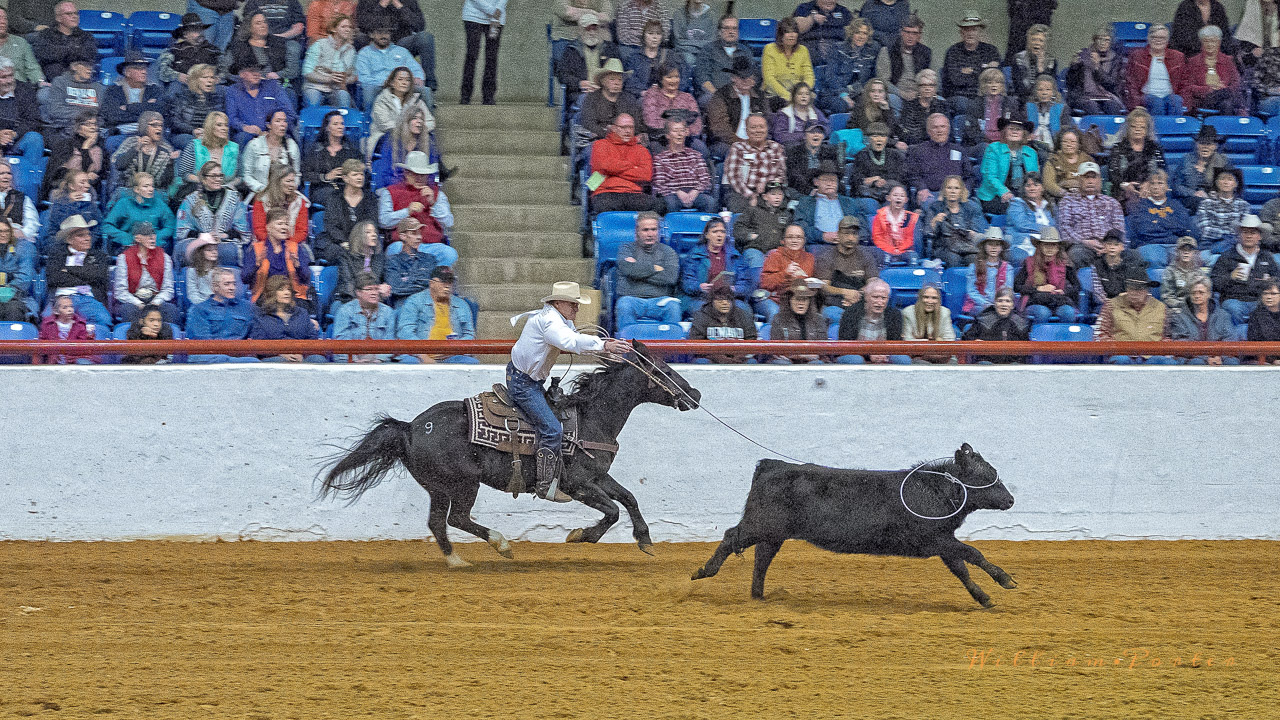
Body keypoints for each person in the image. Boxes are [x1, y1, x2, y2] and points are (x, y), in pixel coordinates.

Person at [508, 281, 631, 501]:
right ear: (557, 303)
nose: (577, 308)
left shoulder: (556, 319)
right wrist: (604, 345)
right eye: (572, 304)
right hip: (524, 385)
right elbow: (570, 341)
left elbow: (574, 342)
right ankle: (545, 485)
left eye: (577, 304)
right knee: (553, 429)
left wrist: (605, 350)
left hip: (529, 381)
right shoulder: (550, 322)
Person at [377, 151, 456, 264]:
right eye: (414, 173)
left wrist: (434, 204)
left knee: (449, 253)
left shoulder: (437, 194)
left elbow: (448, 222)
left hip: (430, 246)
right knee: (395, 249)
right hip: (402, 244)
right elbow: (383, 221)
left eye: (422, 174)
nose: (419, 178)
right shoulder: (390, 192)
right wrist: (407, 212)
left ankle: (435, 280)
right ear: (406, 173)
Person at [396, 266, 479, 364]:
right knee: (409, 363)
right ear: (432, 283)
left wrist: (455, 349)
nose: (447, 286)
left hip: (452, 355)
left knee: (470, 363)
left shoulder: (462, 304)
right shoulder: (414, 301)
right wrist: (422, 354)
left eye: (450, 282)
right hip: (420, 354)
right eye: (443, 282)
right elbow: (405, 332)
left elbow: (469, 334)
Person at [355, 0, 437, 98]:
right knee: (359, 38)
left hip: (402, 43)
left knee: (425, 37)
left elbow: (419, 25)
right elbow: (362, 25)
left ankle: (430, 87)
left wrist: (399, 5)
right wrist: (382, 5)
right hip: (374, 43)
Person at [241, 207, 314, 314]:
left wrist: (298, 266)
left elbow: (306, 278)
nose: (284, 227)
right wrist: (256, 264)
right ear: (268, 227)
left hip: (292, 297)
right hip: (265, 298)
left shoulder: (295, 248)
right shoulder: (256, 249)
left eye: (286, 224)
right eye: (280, 224)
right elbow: (244, 278)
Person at [175, 162, 250, 266]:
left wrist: (224, 235)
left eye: (220, 175)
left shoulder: (234, 198)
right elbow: (182, 230)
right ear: (204, 179)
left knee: (227, 252)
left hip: (225, 242)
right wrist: (203, 236)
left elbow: (242, 230)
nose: (218, 179)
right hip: (199, 242)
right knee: (191, 250)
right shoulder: (190, 200)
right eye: (213, 176)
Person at [1211, 214, 1280, 326]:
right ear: (1239, 235)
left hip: (1260, 299)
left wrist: (1270, 282)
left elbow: (1278, 281)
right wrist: (1231, 277)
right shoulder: (1226, 256)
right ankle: (1237, 342)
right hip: (1234, 299)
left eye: (1253, 233)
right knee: (1233, 309)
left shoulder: (1267, 257)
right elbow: (1214, 283)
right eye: (1245, 232)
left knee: (1269, 307)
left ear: (1260, 236)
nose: (1249, 236)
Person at [589, 113, 663, 215]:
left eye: (631, 127)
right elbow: (604, 165)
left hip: (634, 193)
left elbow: (646, 175)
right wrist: (631, 166)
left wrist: (612, 171)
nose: (628, 131)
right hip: (605, 192)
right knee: (604, 206)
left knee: (660, 205)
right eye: (623, 127)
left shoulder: (641, 150)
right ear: (614, 128)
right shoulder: (600, 144)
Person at [45, 215, 111, 329]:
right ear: (69, 240)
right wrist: (85, 276)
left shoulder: (99, 256)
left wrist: (68, 270)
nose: (87, 238)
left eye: (88, 234)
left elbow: (98, 276)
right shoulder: (56, 255)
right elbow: (54, 278)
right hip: (61, 298)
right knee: (47, 319)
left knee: (103, 319)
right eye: (81, 235)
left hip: (88, 298)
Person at [616, 212, 680, 326]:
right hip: (632, 299)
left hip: (661, 300)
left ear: (659, 231)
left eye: (654, 229)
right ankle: (626, 343)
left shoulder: (668, 252)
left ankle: (670, 344)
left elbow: (670, 278)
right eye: (645, 230)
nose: (650, 234)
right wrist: (655, 268)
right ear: (637, 232)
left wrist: (637, 271)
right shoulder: (626, 248)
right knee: (624, 305)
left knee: (673, 306)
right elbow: (628, 269)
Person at [1097, 270, 1175, 364]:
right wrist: (1116, 349)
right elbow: (1100, 334)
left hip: (1153, 356)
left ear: (1147, 290)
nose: (1134, 292)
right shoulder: (1111, 305)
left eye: (1139, 289)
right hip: (1121, 354)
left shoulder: (1161, 308)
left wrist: (1162, 351)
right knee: (1122, 360)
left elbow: (1167, 336)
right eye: (1131, 288)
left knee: (1166, 362)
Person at [1057, 162, 1126, 267]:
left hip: (1110, 246)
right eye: (1086, 177)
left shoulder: (1112, 202)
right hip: (1082, 246)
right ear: (1079, 180)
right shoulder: (1067, 201)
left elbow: (1119, 228)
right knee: (1076, 255)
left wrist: (1108, 245)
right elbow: (1065, 229)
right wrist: (1085, 242)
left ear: (1099, 180)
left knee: (1133, 256)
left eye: (1093, 177)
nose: (1090, 181)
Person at [813, 215, 877, 324]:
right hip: (833, 304)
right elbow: (824, 287)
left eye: (854, 234)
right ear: (838, 234)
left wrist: (856, 294)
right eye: (846, 233)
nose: (851, 238)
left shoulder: (866, 256)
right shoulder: (826, 257)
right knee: (835, 315)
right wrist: (845, 292)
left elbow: (874, 283)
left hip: (860, 301)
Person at [186, 267, 258, 362]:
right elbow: (204, 342)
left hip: (239, 356)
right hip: (210, 356)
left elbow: (255, 334)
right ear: (215, 287)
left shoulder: (247, 307)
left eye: (234, 284)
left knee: (253, 361)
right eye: (227, 284)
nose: (232, 288)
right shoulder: (199, 309)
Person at [112, 222, 179, 325]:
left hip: (156, 298)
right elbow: (120, 291)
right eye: (147, 234)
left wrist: (155, 303)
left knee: (171, 310)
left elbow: (168, 289)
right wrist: (138, 303)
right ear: (137, 238)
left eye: (153, 234)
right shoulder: (124, 258)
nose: (152, 237)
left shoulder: (165, 257)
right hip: (133, 299)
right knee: (129, 310)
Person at [355, 24, 430, 113]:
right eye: (379, 32)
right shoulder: (364, 53)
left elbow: (416, 69)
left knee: (425, 91)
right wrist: (387, 83)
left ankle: (429, 125)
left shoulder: (401, 51)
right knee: (369, 90)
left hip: (402, 84)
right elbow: (363, 78)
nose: (384, 36)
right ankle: (370, 123)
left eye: (387, 33)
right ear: (372, 35)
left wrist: (418, 77)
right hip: (378, 86)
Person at [248, 275, 325, 362]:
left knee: (318, 359)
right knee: (279, 361)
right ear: (272, 293)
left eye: (288, 289)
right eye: (281, 290)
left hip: (301, 356)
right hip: (274, 357)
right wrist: (280, 354)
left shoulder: (302, 313)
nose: (287, 293)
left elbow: (312, 339)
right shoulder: (261, 316)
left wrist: (302, 354)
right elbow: (259, 343)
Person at [1127, 170, 1196, 267]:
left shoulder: (1176, 205)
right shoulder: (1140, 206)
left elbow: (1183, 227)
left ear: (1167, 187)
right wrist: (1169, 224)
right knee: (1155, 260)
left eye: (1160, 183)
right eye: (1152, 183)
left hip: (1174, 245)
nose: (1155, 187)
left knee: (1186, 260)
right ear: (1148, 186)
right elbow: (1144, 229)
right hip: (1150, 245)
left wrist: (1156, 222)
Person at [679, 216, 748, 312]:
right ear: (707, 235)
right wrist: (699, 287)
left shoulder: (735, 256)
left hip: (727, 298)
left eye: (722, 232)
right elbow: (686, 283)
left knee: (744, 309)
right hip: (700, 298)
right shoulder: (694, 255)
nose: (719, 235)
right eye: (715, 232)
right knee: (707, 310)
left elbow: (744, 283)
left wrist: (735, 289)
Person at [902, 113, 972, 207]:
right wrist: (922, 188)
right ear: (929, 131)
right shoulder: (918, 150)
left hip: (957, 195)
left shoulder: (959, 150)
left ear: (948, 129)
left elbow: (969, 176)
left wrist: (966, 190)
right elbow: (912, 175)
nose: (939, 131)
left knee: (974, 207)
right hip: (931, 195)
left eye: (943, 126)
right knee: (934, 207)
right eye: (935, 127)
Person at [835, 277, 910, 363]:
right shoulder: (851, 313)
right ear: (866, 297)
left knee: (903, 359)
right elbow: (846, 345)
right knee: (856, 360)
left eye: (883, 298)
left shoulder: (894, 315)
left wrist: (884, 354)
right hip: (857, 354)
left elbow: (896, 344)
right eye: (875, 297)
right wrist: (869, 354)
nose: (879, 302)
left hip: (884, 354)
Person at [556, 13, 623, 109]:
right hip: (581, 92)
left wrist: (606, 86)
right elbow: (562, 75)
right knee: (591, 101)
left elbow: (620, 71)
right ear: (580, 30)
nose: (592, 32)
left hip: (608, 90)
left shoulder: (610, 48)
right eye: (588, 29)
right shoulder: (571, 50)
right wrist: (580, 83)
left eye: (594, 28)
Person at [1014, 227, 1079, 324]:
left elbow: (1077, 286)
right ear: (1040, 246)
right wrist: (1038, 289)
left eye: (1053, 245)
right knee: (1043, 313)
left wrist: (1063, 291)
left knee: (1068, 312)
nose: (1050, 248)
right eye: (1046, 245)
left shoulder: (1065, 264)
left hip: (1058, 301)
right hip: (1035, 300)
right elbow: (1017, 286)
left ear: (1058, 248)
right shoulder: (1029, 262)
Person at [724, 113, 786, 214]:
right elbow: (733, 177)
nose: (758, 131)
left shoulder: (776, 147)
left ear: (767, 129)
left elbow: (781, 175)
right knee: (736, 203)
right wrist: (751, 195)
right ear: (746, 130)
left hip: (770, 191)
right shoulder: (738, 147)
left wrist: (768, 186)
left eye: (761, 127)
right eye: (753, 127)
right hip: (743, 192)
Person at [320, 160, 379, 266]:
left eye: (361, 174)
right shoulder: (334, 198)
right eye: (355, 174)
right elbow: (331, 226)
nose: (360, 177)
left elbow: (371, 223)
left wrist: (358, 243)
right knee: (340, 253)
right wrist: (344, 242)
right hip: (339, 243)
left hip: (364, 242)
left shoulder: (371, 198)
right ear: (345, 178)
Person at [1176, 26, 1245, 114]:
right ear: (1201, 43)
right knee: (1224, 100)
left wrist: (1224, 88)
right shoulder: (1193, 61)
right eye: (1206, 41)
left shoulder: (1228, 61)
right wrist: (1208, 89)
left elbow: (1236, 83)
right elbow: (1187, 86)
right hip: (1202, 101)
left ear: (1219, 42)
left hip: (1225, 98)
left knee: (1226, 101)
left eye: (1213, 41)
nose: (1210, 44)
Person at [940, 13, 1000, 115]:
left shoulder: (991, 51)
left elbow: (996, 78)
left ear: (980, 32)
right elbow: (955, 80)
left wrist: (969, 71)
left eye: (974, 29)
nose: (970, 33)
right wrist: (983, 70)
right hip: (958, 97)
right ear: (961, 32)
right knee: (964, 104)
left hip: (984, 97)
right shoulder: (953, 51)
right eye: (967, 29)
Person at [225, 61, 296, 147]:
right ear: (242, 74)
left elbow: (289, 113)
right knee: (242, 137)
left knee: (288, 137)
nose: (256, 74)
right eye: (251, 71)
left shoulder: (273, 86)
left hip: (274, 130)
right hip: (248, 133)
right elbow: (231, 118)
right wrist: (244, 127)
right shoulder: (232, 91)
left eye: (258, 70)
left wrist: (272, 129)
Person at [369, 66, 433, 161]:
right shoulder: (381, 100)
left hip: (413, 137)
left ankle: (438, 170)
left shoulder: (417, 101)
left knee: (430, 137)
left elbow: (430, 121)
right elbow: (384, 124)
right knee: (392, 138)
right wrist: (407, 129)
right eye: (400, 79)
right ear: (392, 83)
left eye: (407, 80)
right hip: (387, 136)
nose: (404, 83)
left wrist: (419, 129)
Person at [1165, 276, 1237, 360]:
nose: (1197, 296)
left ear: (1209, 294)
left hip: (1220, 358)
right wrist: (1206, 358)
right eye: (1193, 293)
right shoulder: (1179, 317)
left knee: (1231, 362)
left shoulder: (1223, 315)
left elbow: (1229, 340)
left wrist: (1220, 357)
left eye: (1201, 292)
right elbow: (1182, 344)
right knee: (1196, 362)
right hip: (1191, 359)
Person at [705, 55, 766, 156]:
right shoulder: (721, 95)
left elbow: (767, 121)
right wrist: (742, 143)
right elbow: (720, 128)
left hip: (756, 140)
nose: (747, 80)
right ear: (733, 78)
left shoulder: (760, 96)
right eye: (742, 77)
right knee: (736, 152)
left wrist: (756, 140)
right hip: (726, 143)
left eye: (750, 77)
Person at [331, 270, 397, 362]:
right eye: (369, 289)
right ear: (358, 292)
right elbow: (341, 341)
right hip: (349, 361)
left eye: (376, 289)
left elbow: (390, 341)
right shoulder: (345, 311)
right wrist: (354, 361)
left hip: (380, 362)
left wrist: (378, 360)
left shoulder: (387, 312)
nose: (374, 293)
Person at [102, 53, 167, 147]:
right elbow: (112, 115)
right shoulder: (113, 90)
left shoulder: (154, 89)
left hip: (151, 134)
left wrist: (128, 107)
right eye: (139, 68)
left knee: (168, 148)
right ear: (127, 72)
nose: (144, 72)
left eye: (145, 68)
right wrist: (146, 108)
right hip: (122, 134)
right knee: (111, 143)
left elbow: (159, 111)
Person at [652, 118, 715, 213]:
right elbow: (659, 184)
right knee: (670, 203)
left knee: (710, 202)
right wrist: (677, 192)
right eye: (675, 131)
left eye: (682, 130)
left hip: (695, 192)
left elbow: (705, 180)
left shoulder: (696, 155)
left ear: (686, 133)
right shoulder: (660, 159)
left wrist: (696, 191)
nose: (679, 134)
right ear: (668, 135)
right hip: (672, 194)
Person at [976, 118, 1037, 215]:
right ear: (1005, 131)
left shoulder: (1031, 153)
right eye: (1011, 128)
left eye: (1018, 129)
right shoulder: (993, 148)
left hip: (1022, 196)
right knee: (1016, 210)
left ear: (1024, 133)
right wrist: (1004, 192)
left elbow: (1035, 179)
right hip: (996, 196)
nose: (1014, 132)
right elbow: (990, 177)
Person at [924, 176, 988, 268]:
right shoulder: (935, 208)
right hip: (944, 247)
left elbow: (976, 230)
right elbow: (928, 233)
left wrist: (971, 233)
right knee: (953, 258)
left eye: (956, 188)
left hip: (966, 246)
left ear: (961, 191)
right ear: (944, 191)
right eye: (949, 188)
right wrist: (934, 222)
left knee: (974, 258)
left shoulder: (970, 208)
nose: (953, 191)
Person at [102, 172, 176, 251]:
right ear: (136, 189)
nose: (151, 189)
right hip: (128, 246)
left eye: (152, 186)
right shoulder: (123, 203)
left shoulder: (159, 204)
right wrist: (126, 238)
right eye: (146, 186)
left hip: (154, 246)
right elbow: (107, 225)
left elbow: (170, 225)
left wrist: (156, 238)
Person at [817, 18, 877, 114]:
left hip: (857, 93)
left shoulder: (871, 54)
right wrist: (844, 94)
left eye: (865, 33)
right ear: (851, 33)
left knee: (868, 105)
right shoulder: (837, 49)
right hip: (833, 93)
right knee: (841, 105)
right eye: (858, 32)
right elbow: (830, 77)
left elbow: (870, 79)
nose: (861, 36)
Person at [688, 279, 757, 363]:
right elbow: (697, 345)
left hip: (739, 359)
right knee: (701, 361)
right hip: (712, 359)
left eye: (728, 299)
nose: (725, 303)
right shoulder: (701, 316)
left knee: (751, 362)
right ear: (712, 301)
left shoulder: (743, 315)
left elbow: (752, 342)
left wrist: (738, 358)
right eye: (720, 300)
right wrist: (719, 358)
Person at [303, 110, 362, 207]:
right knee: (335, 196)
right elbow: (306, 174)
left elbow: (362, 170)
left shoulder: (351, 150)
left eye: (342, 124)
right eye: (336, 124)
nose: (340, 127)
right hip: (322, 189)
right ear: (327, 128)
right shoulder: (316, 149)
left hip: (347, 187)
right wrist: (326, 176)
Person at [1107, 108, 1166, 205]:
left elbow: (1162, 171)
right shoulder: (1117, 148)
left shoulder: (1155, 148)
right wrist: (1126, 185)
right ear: (1128, 128)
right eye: (1134, 127)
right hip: (1124, 192)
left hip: (1151, 191)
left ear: (1147, 129)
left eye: (1142, 127)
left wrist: (1150, 184)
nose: (1137, 130)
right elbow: (1113, 175)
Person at [370, 103, 435, 190]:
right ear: (406, 121)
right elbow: (384, 174)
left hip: (420, 188)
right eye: (414, 118)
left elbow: (432, 174)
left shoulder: (428, 143)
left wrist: (424, 186)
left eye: (421, 119)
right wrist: (406, 184)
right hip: (394, 187)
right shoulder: (390, 141)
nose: (419, 121)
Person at [1124, 24, 1185, 115]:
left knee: (1176, 101)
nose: (1158, 40)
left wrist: (1184, 99)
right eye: (1154, 37)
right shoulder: (1137, 55)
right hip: (1147, 95)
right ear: (1148, 38)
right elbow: (1130, 82)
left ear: (1167, 40)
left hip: (1170, 95)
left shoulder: (1178, 56)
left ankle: (1174, 129)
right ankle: (1157, 129)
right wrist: (1135, 103)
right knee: (1157, 102)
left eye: (1162, 38)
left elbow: (1184, 82)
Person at [578, 59, 644, 144]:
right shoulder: (592, 98)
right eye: (612, 79)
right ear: (603, 81)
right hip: (600, 140)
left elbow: (637, 123)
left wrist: (622, 133)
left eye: (619, 80)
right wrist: (607, 133)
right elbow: (588, 123)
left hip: (625, 141)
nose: (616, 83)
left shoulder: (629, 99)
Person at [796, 162, 862, 245]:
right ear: (816, 182)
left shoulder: (849, 202)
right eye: (825, 180)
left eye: (833, 180)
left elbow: (861, 227)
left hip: (847, 245)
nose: (829, 183)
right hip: (819, 245)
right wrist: (822, 236)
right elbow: (800, 227)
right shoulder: (805, 203)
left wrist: (848, 237)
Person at [110, 112, 178, 193]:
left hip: (153, 193)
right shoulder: (131, 142)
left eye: (161, 125)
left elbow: (165, 182)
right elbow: (119, 165)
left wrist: (170, 163)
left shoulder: (166, 149)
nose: (159, 129)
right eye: (154, 125)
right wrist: (136, 148)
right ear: (144, 126)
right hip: (128, 191)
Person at [28, 1, 96, 82]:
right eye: (69, 14)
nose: (74, 16)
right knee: (54, 67)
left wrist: (62, 53)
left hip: (80, 79)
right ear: (58, 18)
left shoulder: (86, 36)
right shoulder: (46, 35)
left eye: (76, 13)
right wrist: (74, 56)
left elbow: (89, 54)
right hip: (54, 81)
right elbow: (45, 54)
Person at [760, 223, 816, 320]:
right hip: (778, 300)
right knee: (775, 313)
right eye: (790, 237)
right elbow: (765, 284)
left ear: (804, 241)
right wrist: (785, 273)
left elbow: (813, 284)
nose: (794, 240)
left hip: (801, 299)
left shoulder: (810, 258)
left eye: (799, 237)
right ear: (783, 240)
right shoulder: (774, 256)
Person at [42, 112, 103, 201]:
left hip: (85, 188)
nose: (93, 127)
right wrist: (81, 175)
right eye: (88, 124)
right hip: (63, 184)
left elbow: (93, 173)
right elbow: (57, 172)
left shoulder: (97, 150)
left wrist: (85, 148)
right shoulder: (65, 145)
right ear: (78, 128)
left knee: (91, 193)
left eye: (94, 124)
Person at [874, 14, 929, 112]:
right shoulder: (887, 51)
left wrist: (920, 93)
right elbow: (883, 80)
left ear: (919, 35)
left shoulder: (926, 52)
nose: (910, 36)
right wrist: (902, 93)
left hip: (919, 93)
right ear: (901, 32)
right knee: (890, 99)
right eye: (907, 32)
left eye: (914, 33)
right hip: (896, 93)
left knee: (940, 102)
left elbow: (930, 78)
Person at [957, 68, 1022, 151]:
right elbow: (972, 132)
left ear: (1002, 85)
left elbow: (1015, 126)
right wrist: (990, 144)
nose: (994, 85)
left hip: (1004, 143)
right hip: (980, 144)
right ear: (983, 85)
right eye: (990, 82)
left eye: (997, 82)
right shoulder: (974, 104)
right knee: (985, 148)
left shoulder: (1010, 103)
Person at [733, 180, 792, 270]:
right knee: (756, 264)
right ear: (765, 196)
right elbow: (738, 228)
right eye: (773, 194)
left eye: (780, 194)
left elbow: (789, 233)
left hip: (775, 249)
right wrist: (749, 236)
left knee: (777, 263)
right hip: (754, 248)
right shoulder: (753, 211)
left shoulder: (786, 214)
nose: (777, 197)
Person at [1065, 26, 1125, 115]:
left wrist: (1097, 67)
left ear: (1110, 43)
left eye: (1106, 40)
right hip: (1083, 95)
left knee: (1113, 107)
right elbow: (1070, 82)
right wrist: (1074, 67)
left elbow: (1112, 84)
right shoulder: (1082, 55)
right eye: (1100, 39)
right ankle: (1096, 129)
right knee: (1091, 107)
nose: (1103, 43)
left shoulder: (1116, 59)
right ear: (1094, 40)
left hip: (1107, 95)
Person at [240, 109, 300, 196]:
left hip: (284, 194)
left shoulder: (292, 145)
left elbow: (296, 174)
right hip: (260, 193)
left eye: (285, 121)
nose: (283, 124)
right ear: (269, 125)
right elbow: (246, 175)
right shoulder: (254, 145)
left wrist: (289, 187)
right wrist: (262, 189)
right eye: (278, 121)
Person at [169, 66, 227, 154]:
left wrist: (208, 132)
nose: (210, 80)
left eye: (212, 77)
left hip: (210, 134)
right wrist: (193, 131)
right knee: (194, 144)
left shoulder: (217, 98)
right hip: (184, 134)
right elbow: (174, 122)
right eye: (205, 77)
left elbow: (220, 120)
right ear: (194, 80)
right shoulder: (181, 96)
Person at [302, 14, 357, 108]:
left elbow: (354, 75)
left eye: (350, 27)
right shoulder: (319, 45)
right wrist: (329, 78)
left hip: (337, 89)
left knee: (344, 98)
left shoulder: (351, 50)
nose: (348, 30)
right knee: (313, 102)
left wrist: (345, 80)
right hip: (315, 87)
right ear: (333, 29)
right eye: (343, 26)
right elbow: (307, 72)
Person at [157, 14, 223, 92]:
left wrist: (218, 77)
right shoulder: (173, 50)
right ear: (185, 34)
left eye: (200, 30)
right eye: (195, 31)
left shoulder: (214, 51)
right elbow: (162, 71)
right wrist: (177, 76)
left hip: (207, 88)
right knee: (174, 87)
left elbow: (223, 71)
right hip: (182, 89)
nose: (200, 34)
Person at [695, 14, 753, 102]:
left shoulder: (745, 51)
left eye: (734, 28)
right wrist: (718, 96)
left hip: (741, 95)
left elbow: (753, 76)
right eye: (727, 28)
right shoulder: (708, 49)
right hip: (714, 95)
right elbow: (702, 78)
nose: (731, 31)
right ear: (719, 31)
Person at [39, 58, 105, 136]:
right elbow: (55, 110)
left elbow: (99, 112)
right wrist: (87, 114)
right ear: (74, 67)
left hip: (92, 128)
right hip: (63, 127)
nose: (89, 68)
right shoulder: (60, 82)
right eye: (85, 65)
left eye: (91, 65)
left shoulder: (98, 87)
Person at [228, 11, 296, 87]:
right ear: (249, 27)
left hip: (277, 84)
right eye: (258, 23)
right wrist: (246, 78)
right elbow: (227, 72)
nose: (263, 25)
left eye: (264, 22)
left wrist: (278, 74)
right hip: (247, 86)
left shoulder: (280, 43)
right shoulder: (239, 46)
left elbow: (293, 71)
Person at [334, 221, 389, 311]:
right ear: (358, 236)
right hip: (349, 300)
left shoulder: (380, 258)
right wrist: (365, 300)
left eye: (375, 232)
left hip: (375, 300)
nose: (374, 235)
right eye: (368, 232)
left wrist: (385, 288)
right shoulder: (346, 257)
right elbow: (348, 286)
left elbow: (384, 282)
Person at [961, 287, 1028, 362]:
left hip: (1012, 364)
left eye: (1007, 301)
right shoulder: (982, 319)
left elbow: (1026, 349)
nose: (1004, 304)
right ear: (995, 303)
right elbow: (967, 338)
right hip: (987, 362)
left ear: (1012, 305)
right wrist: (975, 341)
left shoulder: (1021, 323)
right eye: (1000, 301)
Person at [1174, 126, 1230, 215]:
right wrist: (1194, 193)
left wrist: (1214, 195)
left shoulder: (1223, 161)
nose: (1205, 147)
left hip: (1215, 203)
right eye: (1202, 143)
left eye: (1209, 144)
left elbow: (1231, 185)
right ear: (1196, 144)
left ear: (1215, 146)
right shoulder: (1186, 159)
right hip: (1189, 202)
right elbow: (1176, 187)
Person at [461, 0, 507, 106]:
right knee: (472, 55)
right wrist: (491, 11)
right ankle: (465, 95)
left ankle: (489, 96)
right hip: (473, 15)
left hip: (496, 18)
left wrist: (497, 10)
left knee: (492, 57)